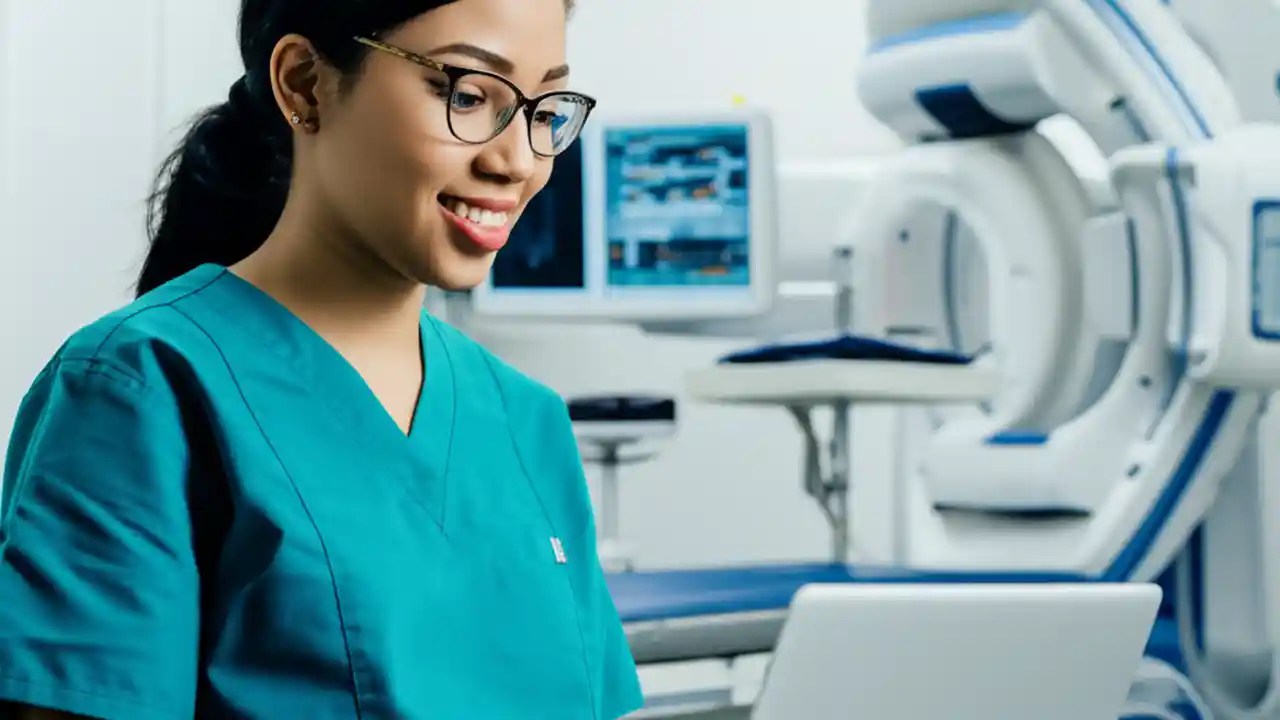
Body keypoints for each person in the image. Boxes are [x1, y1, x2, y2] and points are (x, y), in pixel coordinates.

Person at [0, 0, 644, 717]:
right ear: (305, 83)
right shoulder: (142, 387)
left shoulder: (528, 420)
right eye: (467, 93)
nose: (517, 160)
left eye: (543, 110)